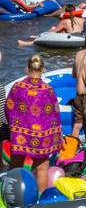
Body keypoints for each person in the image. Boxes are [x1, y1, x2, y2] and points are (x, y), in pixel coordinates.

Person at [4, 54, 63, 193]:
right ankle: (39, 202)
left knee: (16, 165)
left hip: (21, 135)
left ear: (27, 68)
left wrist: (14, 126)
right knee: (42, 167)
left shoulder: (18, 87)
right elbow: (55, 112)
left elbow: (8, 107)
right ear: (43, 69)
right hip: (43, 136)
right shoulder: (47, 90)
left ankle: (11, 196)